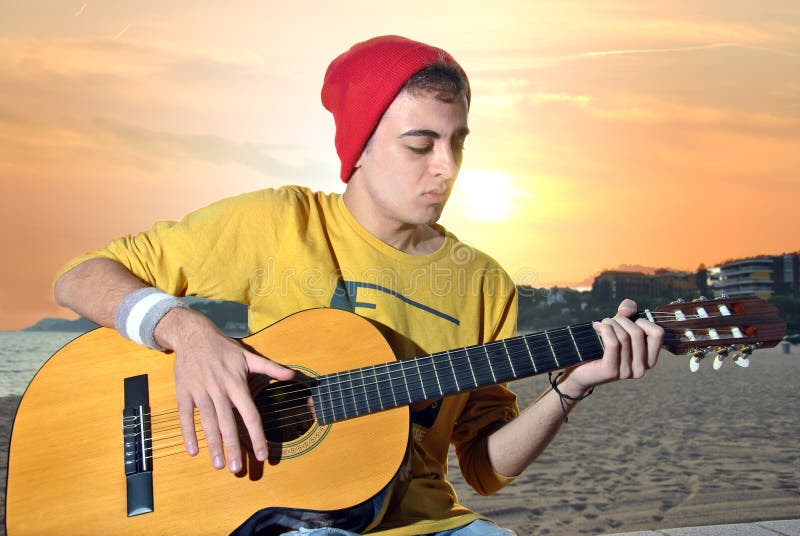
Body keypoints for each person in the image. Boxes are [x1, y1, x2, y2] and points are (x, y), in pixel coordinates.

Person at [54, 35, 663, 536]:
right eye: (420, 144)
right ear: (360, 146)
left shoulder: (483, 282)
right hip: (285, 519)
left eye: (457, 143)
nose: (446, 167)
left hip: (430, 524)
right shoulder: (280, 222)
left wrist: (572, 385)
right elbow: (79, 277)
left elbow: (483, 468)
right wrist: (186, 331)